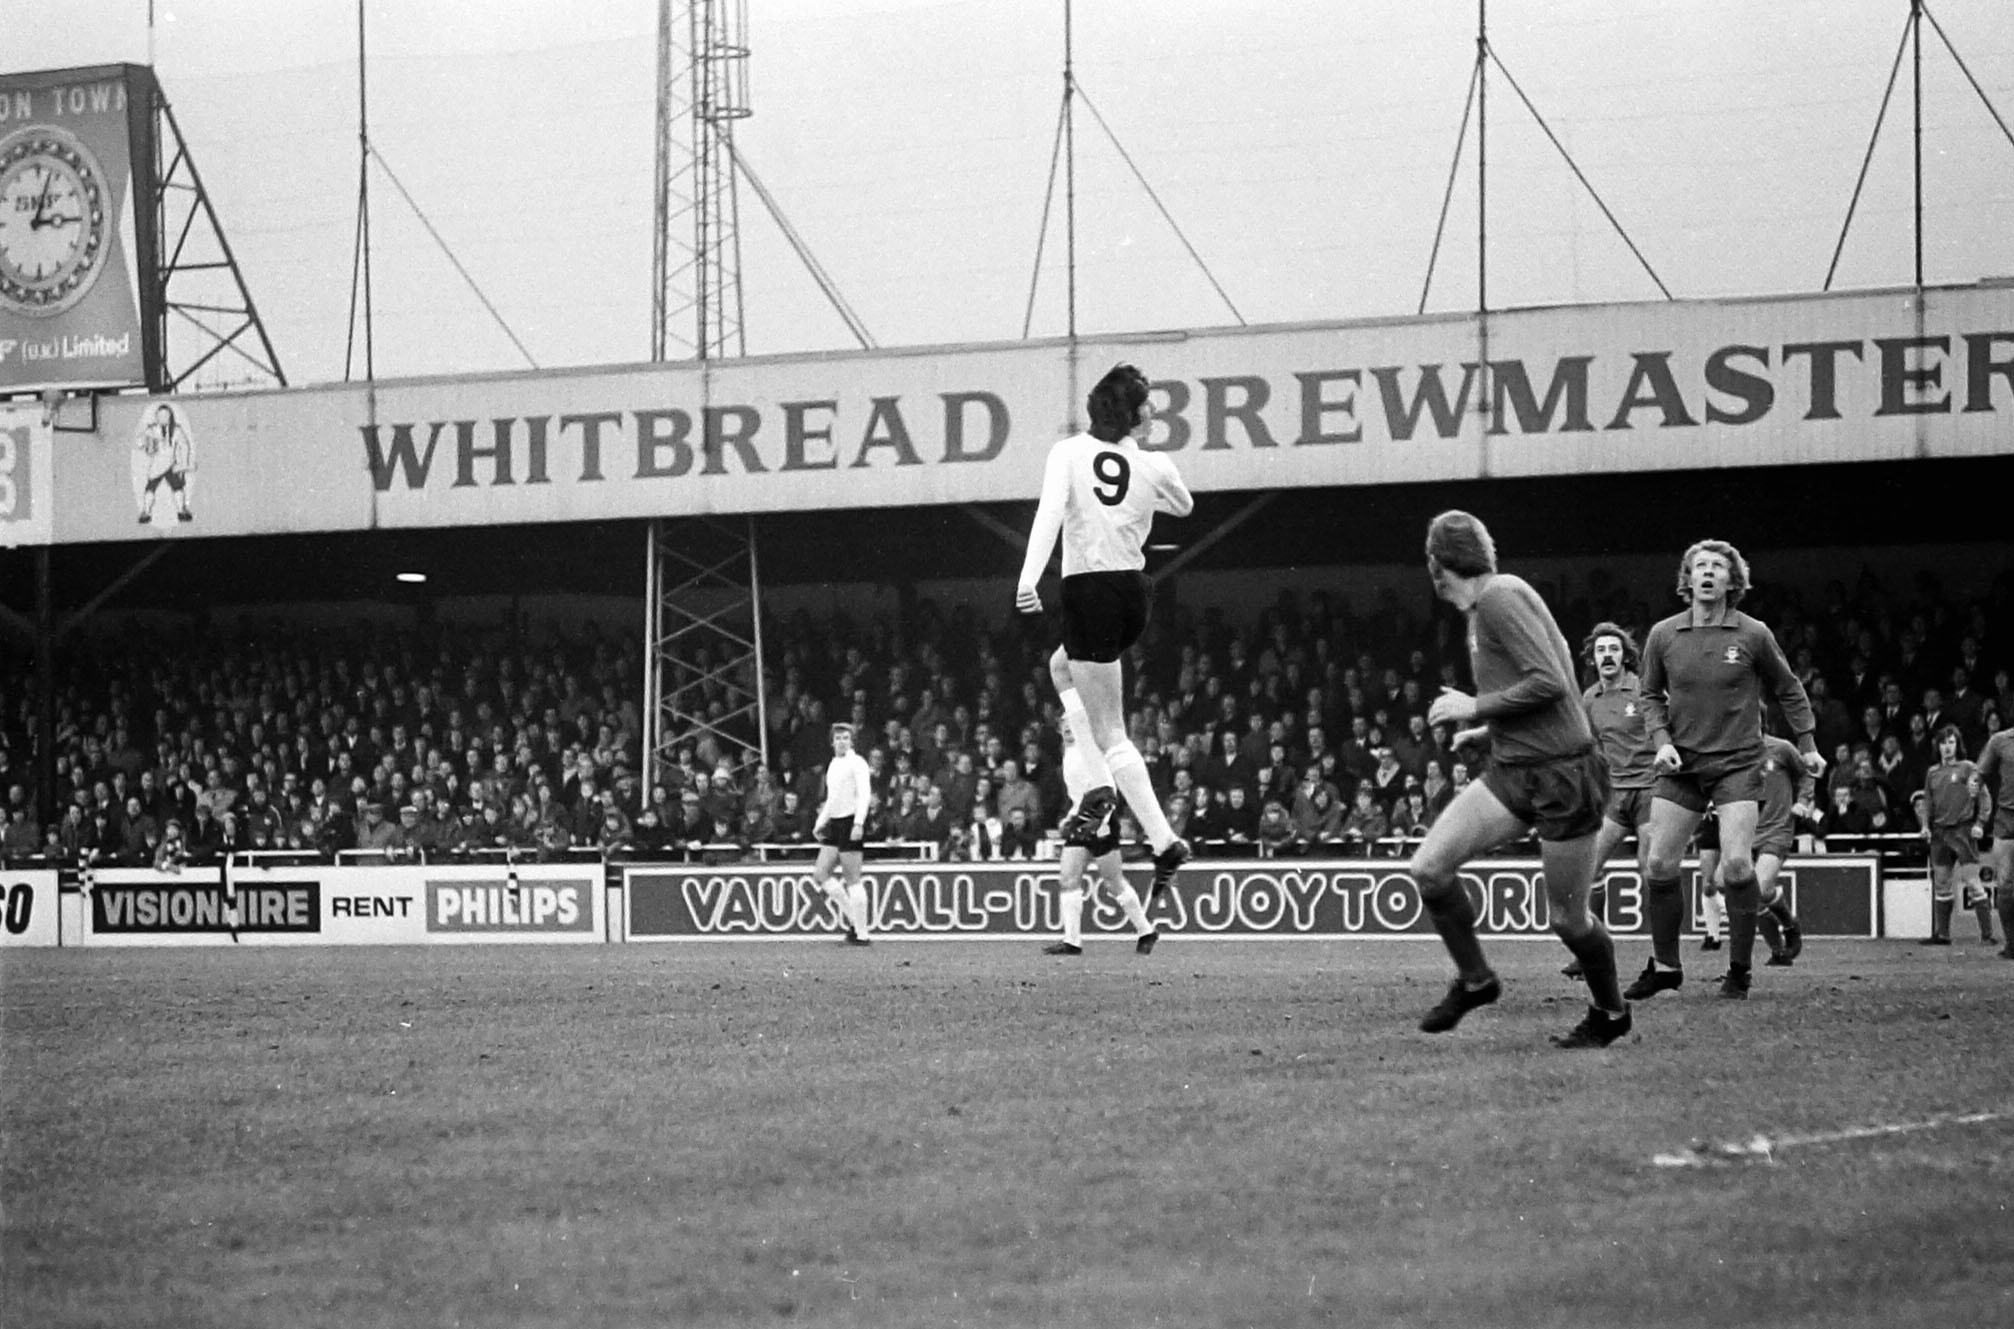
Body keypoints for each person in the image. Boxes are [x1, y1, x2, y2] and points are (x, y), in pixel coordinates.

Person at [1409, 511, 1631, 1049]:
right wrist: (1487, 732)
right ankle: (1477, 979)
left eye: (1430, 561)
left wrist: (1473, 707)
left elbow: (1551, 683)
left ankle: (1611, 1011)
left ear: (1440, 564)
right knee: (1430, 869)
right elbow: (1554, 684)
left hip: (1561, 775)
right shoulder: (1490, 603)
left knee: (1569, 920)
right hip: (1512, 768)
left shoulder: (1499, 598)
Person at [1016, 363, 1195, 903]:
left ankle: (1160, 839)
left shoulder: (1068, 453)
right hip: (1133, 593)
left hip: (1089, 589)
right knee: (1061, 668)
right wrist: (1144, 485)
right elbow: (1184, 507)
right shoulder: (1153, 463)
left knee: (1111, 730)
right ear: (1132, 413)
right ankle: (1098, 787)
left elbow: (1050, 513)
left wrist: (1028, 580)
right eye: (1149, 406)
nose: (1155, 413)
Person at [1624, 539, 1824, 1002]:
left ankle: (1739, 971)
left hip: (1737, 762)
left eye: (1718, 566)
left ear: (1733, 581)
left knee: (1736, 865)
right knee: (1658, 862)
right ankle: (1667, 967)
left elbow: (1789, 689)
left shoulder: (1753, 634)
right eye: (1701, 566)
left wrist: (1808, 744)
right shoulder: (1663, 635)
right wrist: (1661, 742)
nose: (1709, 573)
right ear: (1687, 579)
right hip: (1682, 764)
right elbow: (1649, 695)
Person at [1562, 622, 1658, 980]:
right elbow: (1589, 748)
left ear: (1626, 656)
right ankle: (1591, 953)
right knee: (1588, 869)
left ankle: (1661, 955)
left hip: (1650, 789)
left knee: (1651, 868)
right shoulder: (1589, 699)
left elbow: (1666, 732)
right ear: (1592, 657)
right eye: (1600, 650)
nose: (1607, 655)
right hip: (1615, 794)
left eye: (1613, 649)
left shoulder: (1643, 690)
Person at [1044, 720, 1158, 956]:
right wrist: (1070, 816)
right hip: (1082, 816)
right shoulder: (1068, 754)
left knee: (1112, 881)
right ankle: (1072, 941)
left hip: (1100, 816)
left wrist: (1104, 815)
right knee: (1068, 878)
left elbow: (1106, 783)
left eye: (1070, 721)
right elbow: (1079, 794)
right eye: (1063, 722)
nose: (1067, 725)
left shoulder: (1090, 746)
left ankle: (1146, 930)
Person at [1695, 735, 1811, 968]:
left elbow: (1807, 773)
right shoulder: (1733, 750)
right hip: (1746, 829)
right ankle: (1780, 948)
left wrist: (1804, 800)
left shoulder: (1781, 748)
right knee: (1720, 882)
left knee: (1755, 890)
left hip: (1777, 827)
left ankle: (1789, 929)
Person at [1910, 725, 1992, 947]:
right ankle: (1943, 934)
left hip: (1963, 831)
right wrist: (1925, 826)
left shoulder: (1968, 768)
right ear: (1938, 746)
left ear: (1958, 744)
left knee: (1972, 882)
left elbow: (1984, 797)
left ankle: (1987, 935)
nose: (1947, 747)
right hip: (1939, 834)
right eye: (1943, 743)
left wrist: (1980, 824)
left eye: (1951, 742)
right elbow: (1927, 803)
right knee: (1942, 883)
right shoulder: (1933, 773)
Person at [809, 723, 874, 944]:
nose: (842, 741)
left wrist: (858, 823)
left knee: (852, 878)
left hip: (850, 821)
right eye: (838, 738)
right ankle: (855, 922)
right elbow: (832, 798)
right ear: (832, 742)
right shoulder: (834, 764)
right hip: (836, 822)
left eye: (846, 737)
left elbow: (864, 795)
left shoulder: (858, 763)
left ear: (852, 740)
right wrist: (820, 822)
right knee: (821, 873)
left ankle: (862, 933)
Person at [1973, 724, 2014, 958]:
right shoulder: (2000, 740)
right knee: (2006, 886)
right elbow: (1980, 772)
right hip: (2007, 819)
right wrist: (1974, 782)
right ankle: (2012, 944)